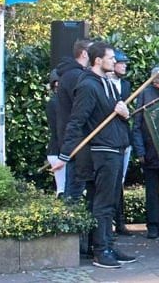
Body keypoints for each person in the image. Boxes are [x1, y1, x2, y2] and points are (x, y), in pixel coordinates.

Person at [52, 41, 137, 269]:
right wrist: (65, 156)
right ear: (98, 60)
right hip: (102, 151)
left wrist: (123, 113)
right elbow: (77, 121)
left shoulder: (105, 83)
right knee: (102, 203)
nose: (115, 62)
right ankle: (101, 250)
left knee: (107, 202)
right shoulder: (88, 86)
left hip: (115, 147)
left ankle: (105, 243)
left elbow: (111, 115)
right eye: (111, 58)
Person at [132, 66, 159, 238]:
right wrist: (140, 151)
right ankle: (152, 225)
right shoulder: (145, 95)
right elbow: (136, 125)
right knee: (151, 191)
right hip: (150, 151)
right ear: (156, 83)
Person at [56, 39, 93, 202]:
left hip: (74, 135)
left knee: (76, 182)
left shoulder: (71, 74)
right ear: (84, 53)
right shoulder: (76, 76)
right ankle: (72, 221)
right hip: (77, 137)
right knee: (76, 184)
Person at [110, 50, 133, 235]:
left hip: (124, 138)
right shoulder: (103, 84)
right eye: (121, 62)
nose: (124, 65)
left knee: (120, 182)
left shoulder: (126, 85)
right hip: (108, 140)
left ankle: (120, 221)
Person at [46, 69, 65, 197]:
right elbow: (59, 129)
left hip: (59, 150)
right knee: (63, 190)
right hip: (59, 151)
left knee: (63, 188)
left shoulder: (56, 101)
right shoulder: (55, 102)